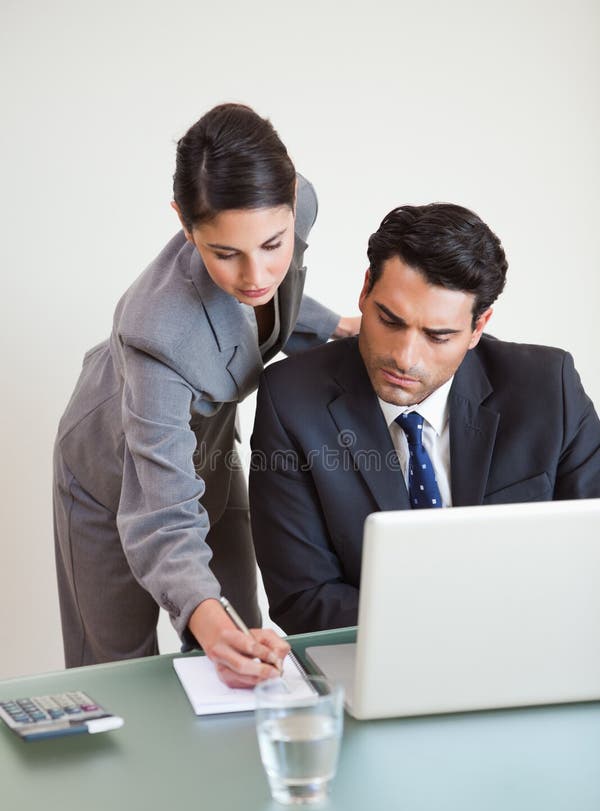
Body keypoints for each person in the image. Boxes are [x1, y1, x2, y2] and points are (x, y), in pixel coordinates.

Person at [53, 102, 359, 686]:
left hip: (211, 450)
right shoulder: (156, 331)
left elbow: (266, 300)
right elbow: (161, 518)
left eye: (273, 244)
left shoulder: (297, 202)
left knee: (244, 624)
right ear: (185, 224)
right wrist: (212, 630)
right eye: (225, 254)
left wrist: (337, 327)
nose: (255, 276)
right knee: (118, 670)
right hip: (111, 473)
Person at [249, 203, 600, 635]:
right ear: (365, 290)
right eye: (389, 320)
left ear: (478, 327)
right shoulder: (291, 398)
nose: (404, 357)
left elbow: (591, 554)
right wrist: (448, 632)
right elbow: (303, 597)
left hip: (533, 640)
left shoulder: (548, 388)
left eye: (438, 336)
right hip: (375, 654)